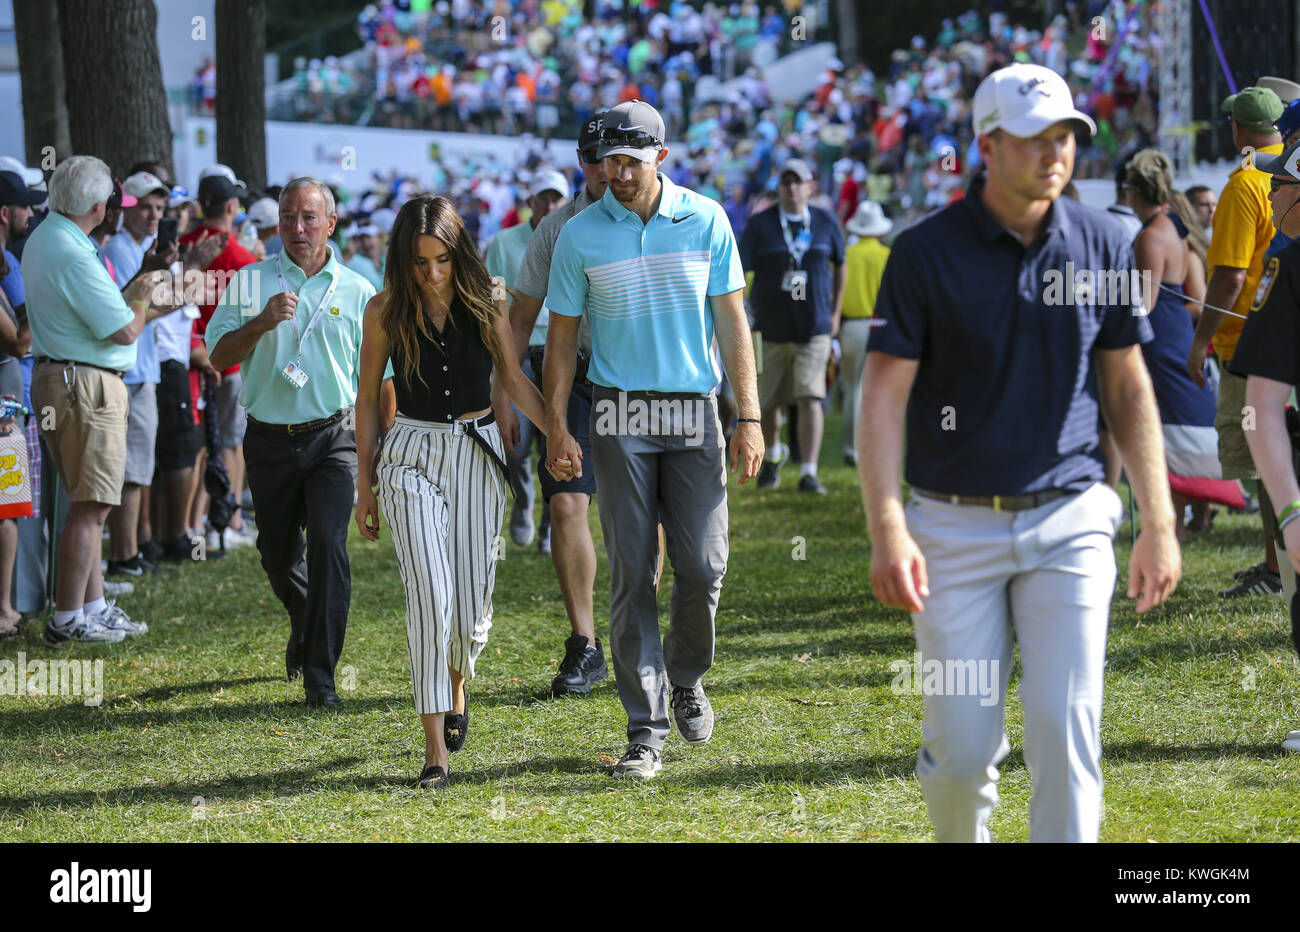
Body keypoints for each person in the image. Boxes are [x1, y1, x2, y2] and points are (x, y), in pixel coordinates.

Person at [860, 64, 1180, 842]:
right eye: (1036, 138)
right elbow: (882, 399)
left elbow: (1128, 388)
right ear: (989, 144)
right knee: (961, 754)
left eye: (1067, 135)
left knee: (1067, 738)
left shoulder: (1107, 241)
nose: (1056, 153)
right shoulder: (923, 253)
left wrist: (1158, 520)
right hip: (950, 531)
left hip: (1071, 520)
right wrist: (889, 528)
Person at [545, 100, 764, 779]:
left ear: (660, 159)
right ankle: (645, 731)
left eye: (632, 161)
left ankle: (687, 675)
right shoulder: (579, 234)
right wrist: (557, 424)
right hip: (616, 415)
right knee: (632, 572)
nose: (618, 173)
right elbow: (557, 342)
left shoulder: (706, 219)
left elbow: (733, 325)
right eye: (608, 161)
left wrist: (748, 416)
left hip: (694, 412)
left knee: (703, 565)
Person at [354, 194, 557, 790]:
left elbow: (514, 379)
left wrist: (559, 436)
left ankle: (457, 681)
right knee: (431, 597)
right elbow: (367, 400)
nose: (433, 273)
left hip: (476, 449)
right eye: (420, 262)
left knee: (468, 616)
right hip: (409, 454)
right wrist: (364, 486)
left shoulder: (489, 298)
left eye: (442, 259)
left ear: (457, 251)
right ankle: (434, 751)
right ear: (402, 259)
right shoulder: (384, 309)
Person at [206, 177, 393, 705]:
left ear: (331, 223)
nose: (297, 228)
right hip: (268, 439)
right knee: (278, 556)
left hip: (333, 437)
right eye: (288, 217)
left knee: (331, 547)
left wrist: (379, 451)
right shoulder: (250, 281)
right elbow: (219, 357)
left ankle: (321, 677)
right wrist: (261, 323)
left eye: (309, 217)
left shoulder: (359, 290)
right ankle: (306, 619)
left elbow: (381, 380)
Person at [26, 156, 211, 644]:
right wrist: (151, 291)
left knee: (86, 503)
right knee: (92, 505)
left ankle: (90, 606)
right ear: (97, 203)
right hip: (84, 384)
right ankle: (69, 619)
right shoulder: (71, 249)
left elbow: (110, 311)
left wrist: (146, 279)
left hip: (65, 379)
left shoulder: (52, 238)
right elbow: (124, 326)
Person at [504, 114, 611, 695]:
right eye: (592, 156)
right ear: (579, 159)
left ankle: (638, 630)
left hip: (638, 382)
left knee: (644, 519)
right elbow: (519, 320)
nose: (602, 167)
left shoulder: (655, 214)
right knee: (568, 503)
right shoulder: (555, 227)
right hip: (569, 375)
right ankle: (585, 644)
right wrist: (503, 396)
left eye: (612, 155)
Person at [1188, 85, 1287, 598]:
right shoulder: (1292, 167)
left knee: (1265, 459)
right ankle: (1276, 567)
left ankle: (1276, 571)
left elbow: (1227, 277)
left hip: (1248, 342)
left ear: (1237, 129)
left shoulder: (1244, 184)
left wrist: (1200, 341)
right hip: (1285, 336)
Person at [1127, 150, 1243, 538]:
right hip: (1178, 336)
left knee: (1163, 433)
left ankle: (1169, 526)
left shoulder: (1149, 237)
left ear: (1132, 193)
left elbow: (1142, 305)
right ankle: (1179, 522)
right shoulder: (1176, 231)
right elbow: (1194, 292)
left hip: (1158, 342)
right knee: (1174, 429)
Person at [1231, 137, 1300, 755]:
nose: (1273, 195)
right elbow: (1262, 407)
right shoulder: (1292, 267)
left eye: (1280, 185)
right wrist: (1292, 513)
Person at [743, 158, 845, 495]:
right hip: (770, 327)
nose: (791, 188)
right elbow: (739, 271)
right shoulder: (761, 225)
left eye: (798, 182)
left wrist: (835, 315)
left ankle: (809, 471)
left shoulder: (826, 222)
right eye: (786, 182)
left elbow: (840, 266)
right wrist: (743, 311)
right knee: (768, 401)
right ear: (778, 188)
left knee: (809, 397)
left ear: (810, 186)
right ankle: (773, 456)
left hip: (813, 326)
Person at [486, 169, 570, 553]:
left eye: (556, 199)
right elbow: (494, 298)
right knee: (514, 443)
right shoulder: (504, 243)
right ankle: (523, 502)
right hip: (518, 352)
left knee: (559, 442)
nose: (549, 206)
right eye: (542, 199)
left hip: (562, 352)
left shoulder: (576, 235)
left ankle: (550, 523)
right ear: (530, 202)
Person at [102, 170, 174, 577]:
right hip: (128, 373)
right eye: (144, 206)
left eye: (159, 208)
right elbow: (134, 312)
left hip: (140, 369)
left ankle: (133, 550)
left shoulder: (142, 249)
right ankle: (124, 557)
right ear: (126, 208)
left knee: (138, 468)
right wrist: (184, 287)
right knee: (129, 471)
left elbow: (150, 305)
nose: (152, 214)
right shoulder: (120, 251)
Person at [185, 166, 259, 550]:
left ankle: (198, 521)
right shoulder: (242, 257)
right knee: (230, 445)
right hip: (229, 363)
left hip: (189, 360)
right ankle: (226, 521)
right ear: (232, 206)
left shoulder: (185, 246)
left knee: (199, 447)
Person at [838, 199, 891, 467]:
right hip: (881, 326)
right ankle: (873, 446)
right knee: (878, 391)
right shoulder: (887, 256)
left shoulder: (846, 255)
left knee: (852, 389)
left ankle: (853, 448)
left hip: (851, 328)